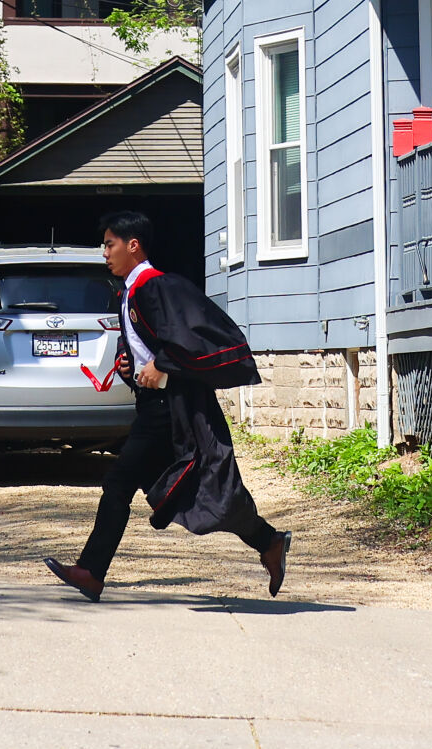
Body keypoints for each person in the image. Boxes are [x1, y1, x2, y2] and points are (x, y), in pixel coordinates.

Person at [44, 211, 290, 602]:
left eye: (110, 244)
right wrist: (134, 366)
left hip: (169, 410)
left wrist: (161, 364)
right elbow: (155, 346)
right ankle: (268, 540)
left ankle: (91, 571)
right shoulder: (130, 291)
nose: (104, 252)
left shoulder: (156, 287)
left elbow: (195, 340)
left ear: (133, 245)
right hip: (155, 407)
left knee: (120, 483)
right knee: (200, 488)